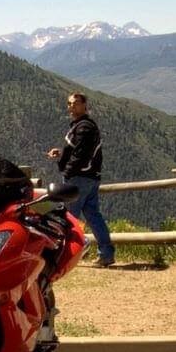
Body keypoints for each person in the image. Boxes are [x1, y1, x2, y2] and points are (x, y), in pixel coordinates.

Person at [46, 93, 115, 267]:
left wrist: (68, 173)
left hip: (79, 178)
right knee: (93, 216)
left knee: (68, 217)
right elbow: (77, 151)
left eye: (76, 103)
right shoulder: (82, 126)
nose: (71, 107)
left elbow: (81, 155)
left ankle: (70, 253)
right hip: (90, 178)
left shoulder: (84, 127)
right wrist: (61, 153)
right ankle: (106, 254)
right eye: (69, 104)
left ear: (85, 105)